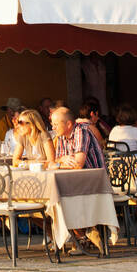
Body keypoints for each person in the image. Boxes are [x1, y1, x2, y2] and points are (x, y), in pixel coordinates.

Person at [49, 105, 105, 255]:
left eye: (55, 124)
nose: (53, 127)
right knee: (49, 201)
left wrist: (59, 163)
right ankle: (81, 236)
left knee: (61, 199)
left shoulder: (81, 131)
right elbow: (56, 160)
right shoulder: (60, 136)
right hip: (74, 182)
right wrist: (61, 160)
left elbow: (78, 164)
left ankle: (80, 237)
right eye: (52, 124)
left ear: (68, 124)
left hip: (93, 183)